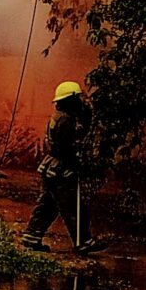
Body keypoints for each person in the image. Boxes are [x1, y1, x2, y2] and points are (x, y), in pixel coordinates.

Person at [22, 79, 100, 252]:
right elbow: (70, 144)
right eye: (78, 99)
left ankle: (32, 236)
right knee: (73, 206)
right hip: (61, 170)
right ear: (71, 100)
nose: (80, 102)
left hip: (52, 168)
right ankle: (83, 241)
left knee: (48, 205)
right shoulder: (66, 120)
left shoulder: (60, 117)